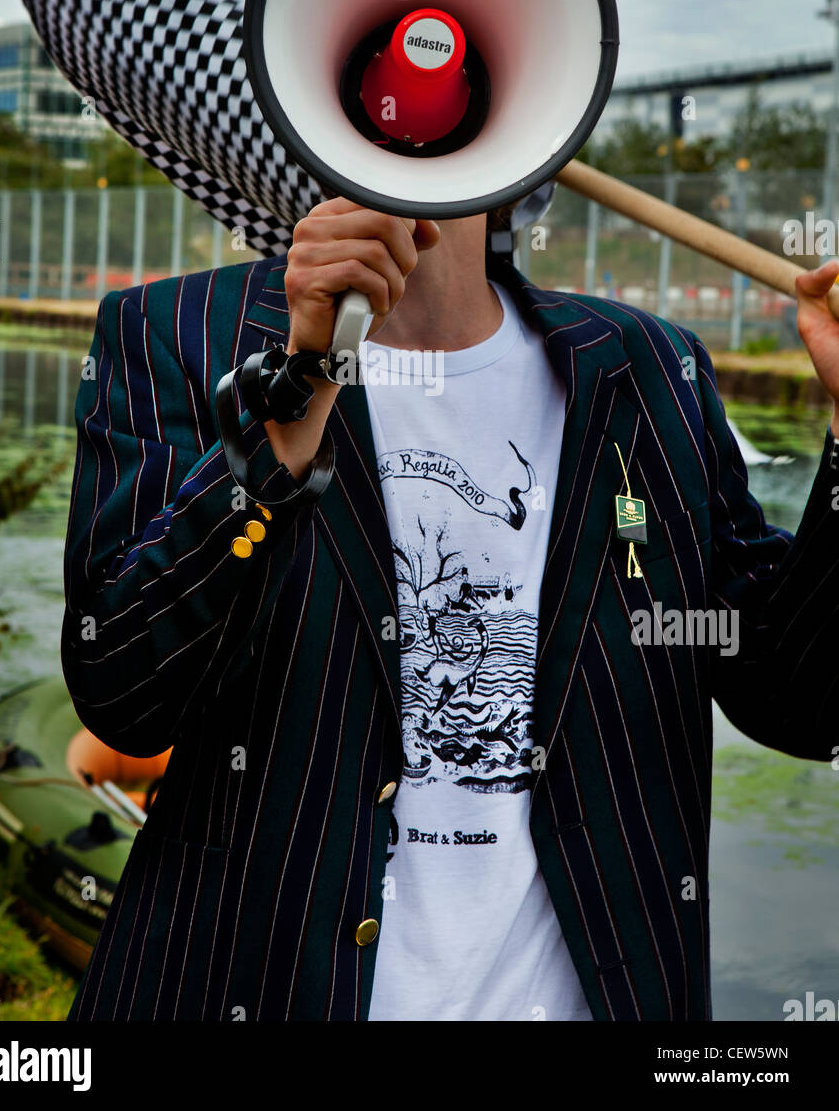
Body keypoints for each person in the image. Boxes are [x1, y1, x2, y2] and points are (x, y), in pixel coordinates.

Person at [61, 195, 839, 1021]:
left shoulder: (651, 366)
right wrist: (291, 404)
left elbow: (801, 702)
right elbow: (123, 693)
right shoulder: (176, 329)